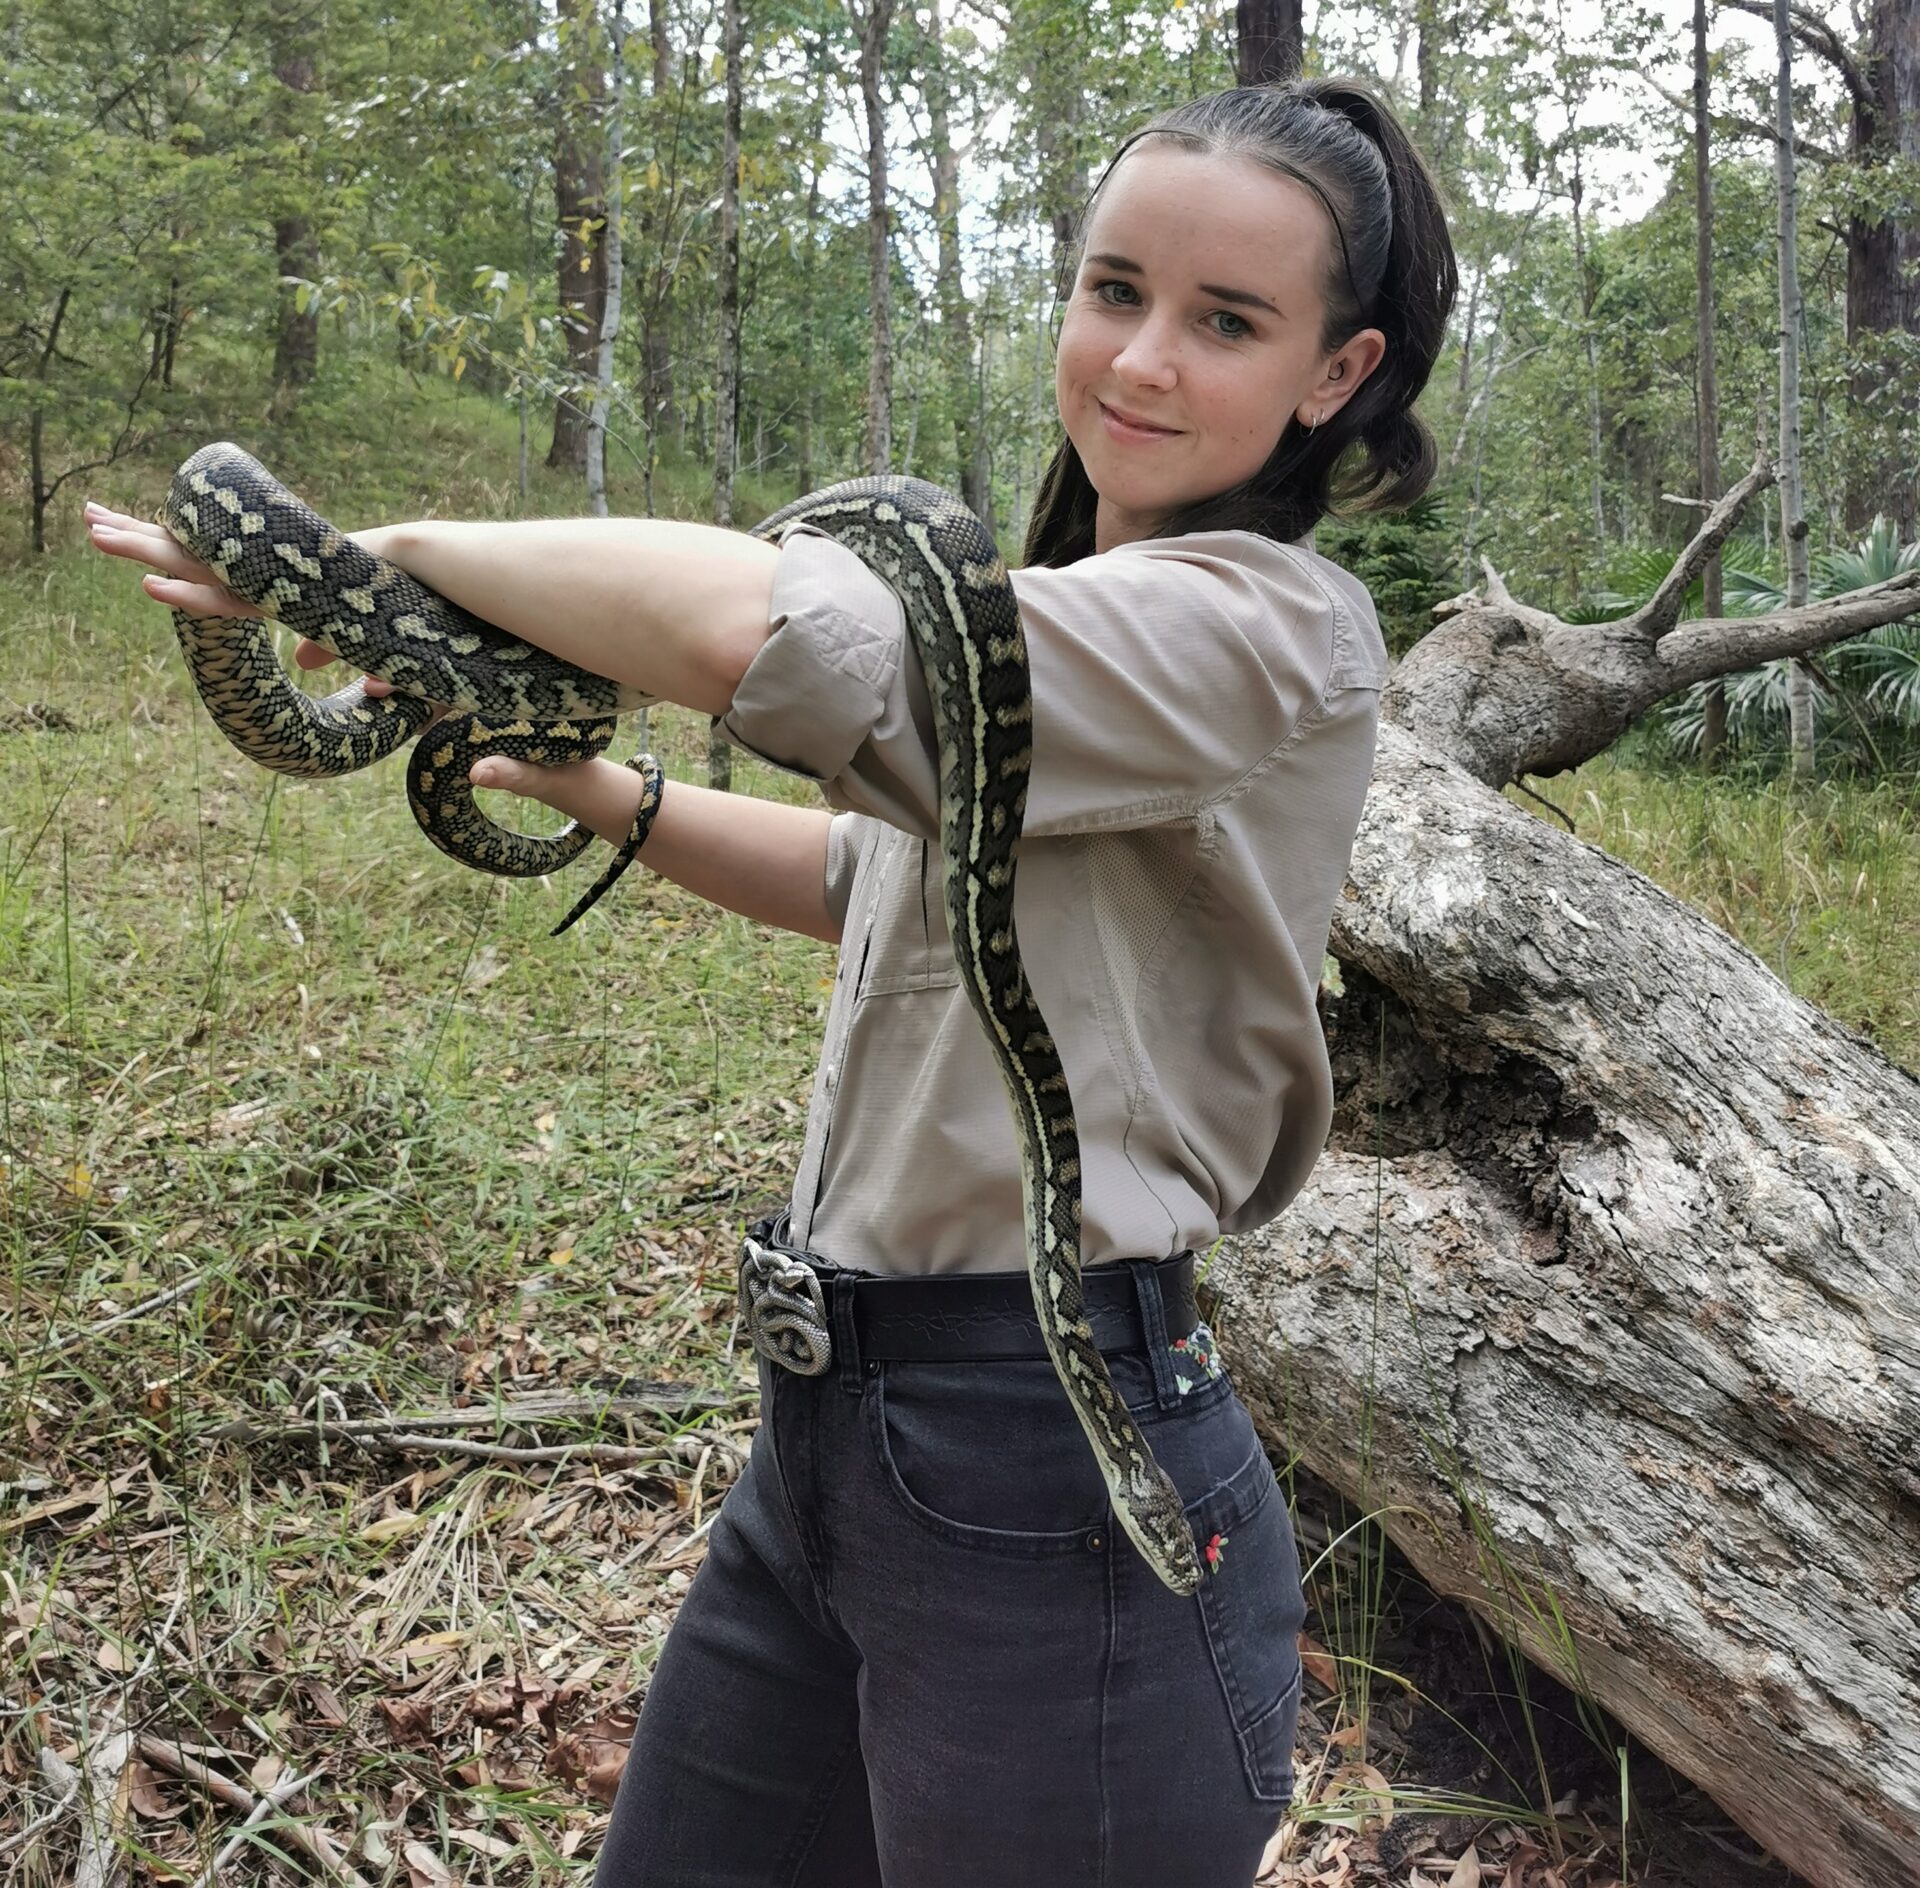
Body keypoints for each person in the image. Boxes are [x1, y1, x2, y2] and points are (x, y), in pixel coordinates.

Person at [89, 75, 1456, 1887]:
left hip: (1062, 1464)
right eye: (1114, 289)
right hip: (833, 1430)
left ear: (1334, 374)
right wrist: (610, 794)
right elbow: (858, 876)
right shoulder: (1043, 619)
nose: (1141, 356)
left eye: (1226, 321)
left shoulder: (1261, 630)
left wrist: (371, 566)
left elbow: (782, 635)